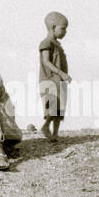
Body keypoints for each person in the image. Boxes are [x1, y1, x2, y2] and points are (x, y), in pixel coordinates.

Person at [38, 11, 71, 142]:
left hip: (59, 81)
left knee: (60, 107)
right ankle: (46, 127)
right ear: (53, 27)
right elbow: (46, 61)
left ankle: (55, 134)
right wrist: (61, 73)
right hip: (49, 80)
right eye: (63, 28)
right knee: (53, 105)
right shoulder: (46, 43)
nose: (65, 32)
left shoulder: (57, 44)